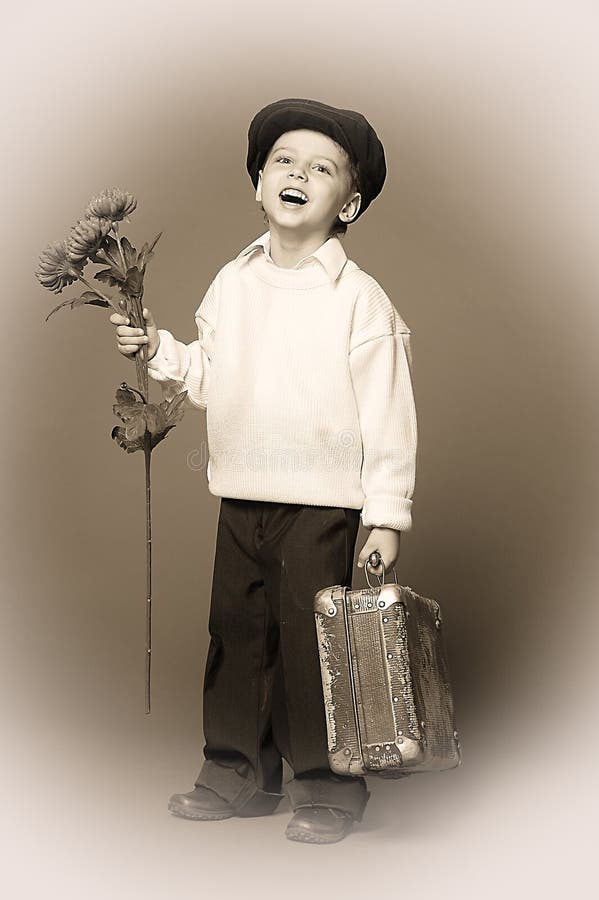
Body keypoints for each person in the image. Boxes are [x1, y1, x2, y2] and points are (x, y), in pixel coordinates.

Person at [110, 98, 418, 844]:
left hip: (320, 503)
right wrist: (158, 350)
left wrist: (384, 514)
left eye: (320, 168)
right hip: (241, 494)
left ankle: (327, 788)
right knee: (237, 634)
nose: (296, 174)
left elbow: (389, 413)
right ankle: (236, 772)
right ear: (257, 183)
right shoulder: (233, 281)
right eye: (283, 160)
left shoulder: (358, 300)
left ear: (348, 203)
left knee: (316, 642)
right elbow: (211, 376)